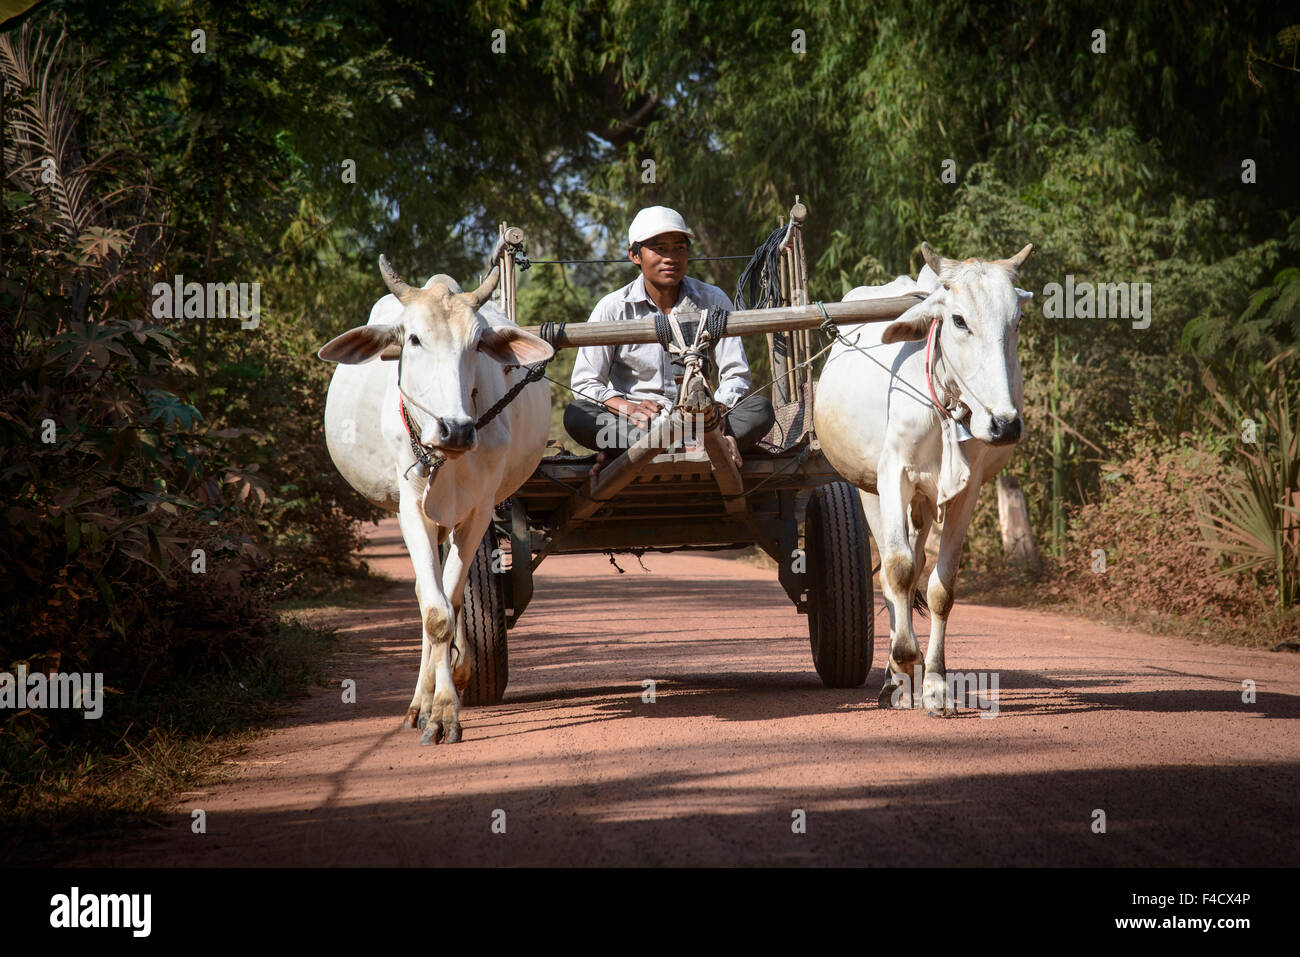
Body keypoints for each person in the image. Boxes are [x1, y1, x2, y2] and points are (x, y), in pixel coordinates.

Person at [564, 206, 775, 476]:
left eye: (679, 248)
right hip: (638, 427)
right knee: (576, 414)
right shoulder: (613, 308)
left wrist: (717, 412)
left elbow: (736, 374)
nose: (671, 258)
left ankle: (646, 452)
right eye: (659, 248)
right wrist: (628, 407)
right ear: (634, 255)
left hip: (704, 424)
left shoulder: (713, 300)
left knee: (760, 409)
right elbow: (585, 383)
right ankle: (698, 448)